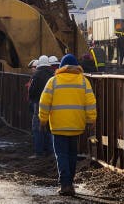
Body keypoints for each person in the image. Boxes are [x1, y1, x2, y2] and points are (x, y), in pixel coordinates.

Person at [39, 54, 97, 197]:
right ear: (77, 67)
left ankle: (65, 184)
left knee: (61, 155)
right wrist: (91, 121)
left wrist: (43, 120)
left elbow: (44, 103)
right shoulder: (84, 82)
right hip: (76, 126)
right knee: (72, 155)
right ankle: (69, 183)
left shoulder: (53, 82)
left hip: (58, 127)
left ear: (61, 68)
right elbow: (91, 103)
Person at [28, 55, 54, 157]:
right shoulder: (52, 75)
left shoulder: (36, 75)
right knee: (49, 127)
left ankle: (39, 152)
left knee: (38, 128)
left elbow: (31, 91)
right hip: (51, 104)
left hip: (38, 104)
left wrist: (32, 100)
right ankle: (50, 151)